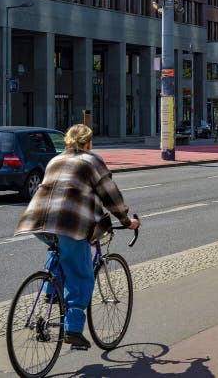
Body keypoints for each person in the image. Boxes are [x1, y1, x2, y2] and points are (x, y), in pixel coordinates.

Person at [14, 124, 140, 349]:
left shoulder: (55, 160)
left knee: (62, 253)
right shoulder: (92, 161)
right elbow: (110, 195)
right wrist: (126, 221)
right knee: (82, 276)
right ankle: (73, 330)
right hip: (68, 223)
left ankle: (52, 292)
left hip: (37, 220)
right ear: (89, 142)